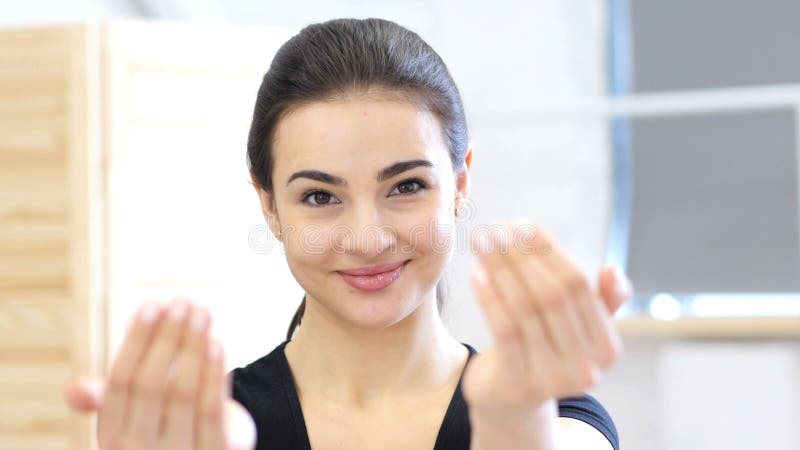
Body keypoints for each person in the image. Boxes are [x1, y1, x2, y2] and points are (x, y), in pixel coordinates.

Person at [65, 17, 633, 450]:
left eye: (406, 186)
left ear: (459, 184)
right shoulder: (201, 428)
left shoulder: (553, 419)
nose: (367, 238)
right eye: (320, 196)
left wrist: (513, 421)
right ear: (270, 207)